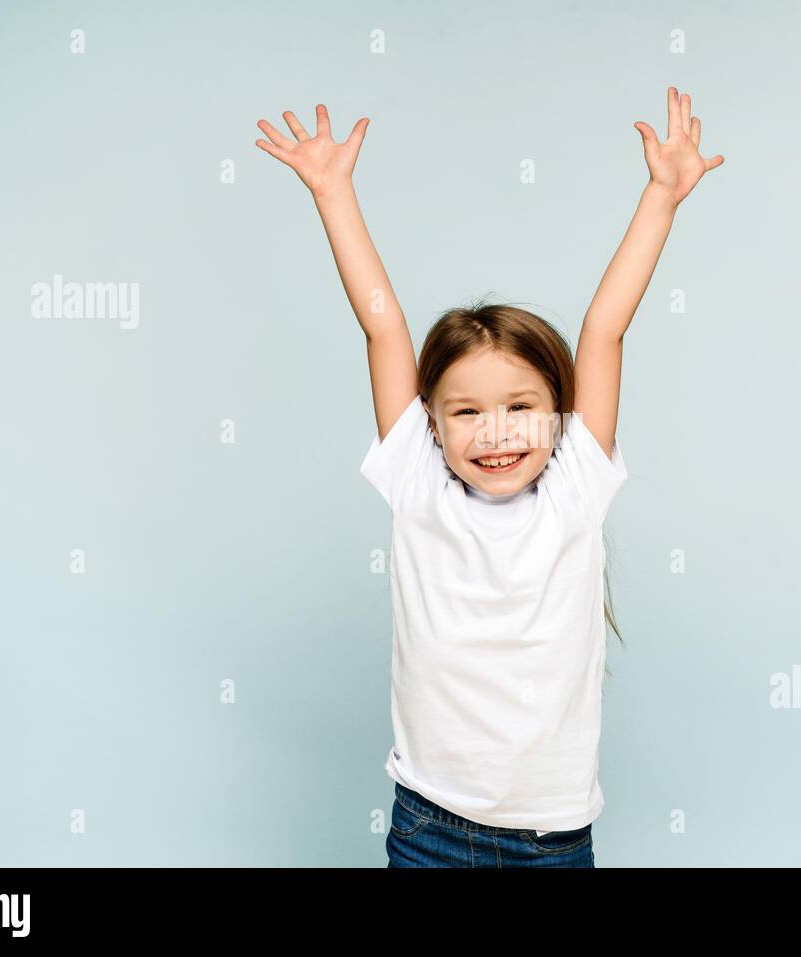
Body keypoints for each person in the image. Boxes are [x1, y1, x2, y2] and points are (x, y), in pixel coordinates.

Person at [254, 87, 723, 867]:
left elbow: (605, 326)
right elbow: (381, 322)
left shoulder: (577, 487)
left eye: (520, 406)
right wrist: (333, 195)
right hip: (429, 828)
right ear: (430, 423)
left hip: (555, 840)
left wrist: (661, 199)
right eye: (466, 412)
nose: (496, 431)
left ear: (561, 415)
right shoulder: (418, 481)